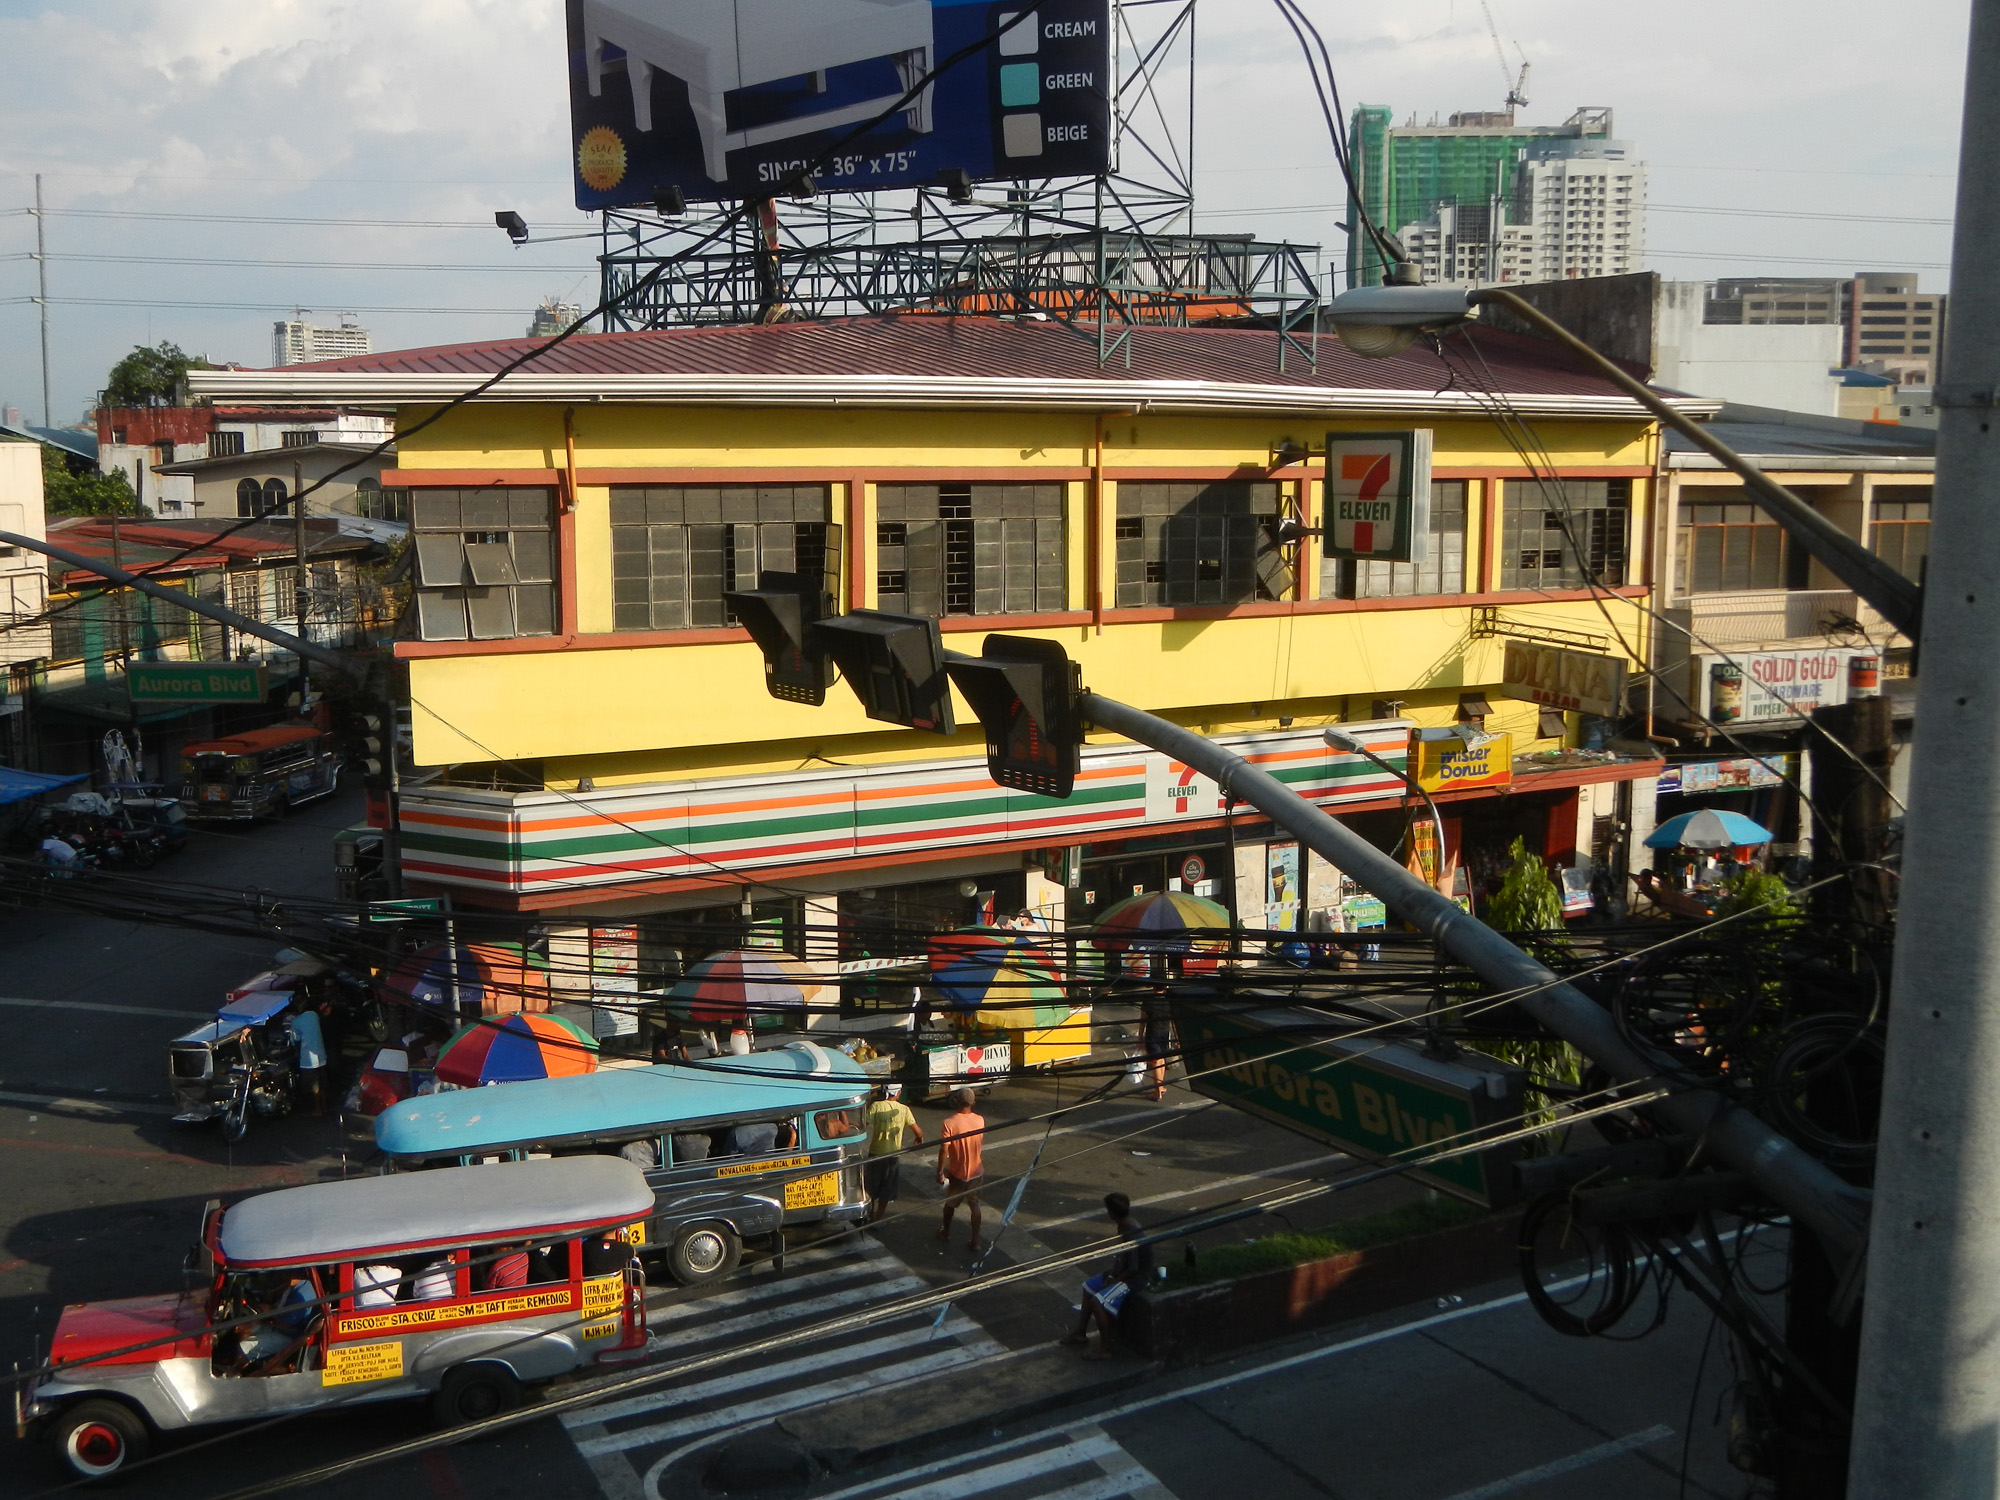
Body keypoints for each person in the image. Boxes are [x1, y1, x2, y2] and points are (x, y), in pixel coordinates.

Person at [1062, 1193, 1153, 1360]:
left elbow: (1133, 1268)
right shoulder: (1124, 1226)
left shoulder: (1132, 1234)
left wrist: (1113, 1282)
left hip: (1134, 1279)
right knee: (1089, 1287)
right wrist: (1111, 1276)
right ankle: (1080, 1332)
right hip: (1121, 1271)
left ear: (1112, 1212)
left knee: (1098, 1302)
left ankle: (1105, 1347)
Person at [862, 1083, 923, 1225]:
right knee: (887, 1189)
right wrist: (919, 1138)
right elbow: (918, 1131)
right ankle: (877, 1220)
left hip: (875, 1153)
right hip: (893, 1156)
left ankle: (868, 1216)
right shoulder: (904, 1109)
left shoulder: (876, 1106)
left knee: (870, 1187)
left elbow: (864, 1123)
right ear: (898, 1093)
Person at [936, 1088, 985, 1253]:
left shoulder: (949, 1123)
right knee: (975, 1205)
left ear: (957, 1101)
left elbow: (944, 1149)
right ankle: (976, 1241)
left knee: (950, 1205)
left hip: (958, 1173)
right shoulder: (980, 1120)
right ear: (973, 1103)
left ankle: (946, 1232)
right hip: (977, 1171)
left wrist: (940, 1172)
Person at [287, 1000, 327, 1116]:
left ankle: (317, 1109)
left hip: (308, 1061)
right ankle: (324, 1107)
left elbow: (296, 1041)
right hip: (321, 1056)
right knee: (322, 1084)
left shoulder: (296, 1021)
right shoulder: (314, 1015)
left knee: (313, 1087)